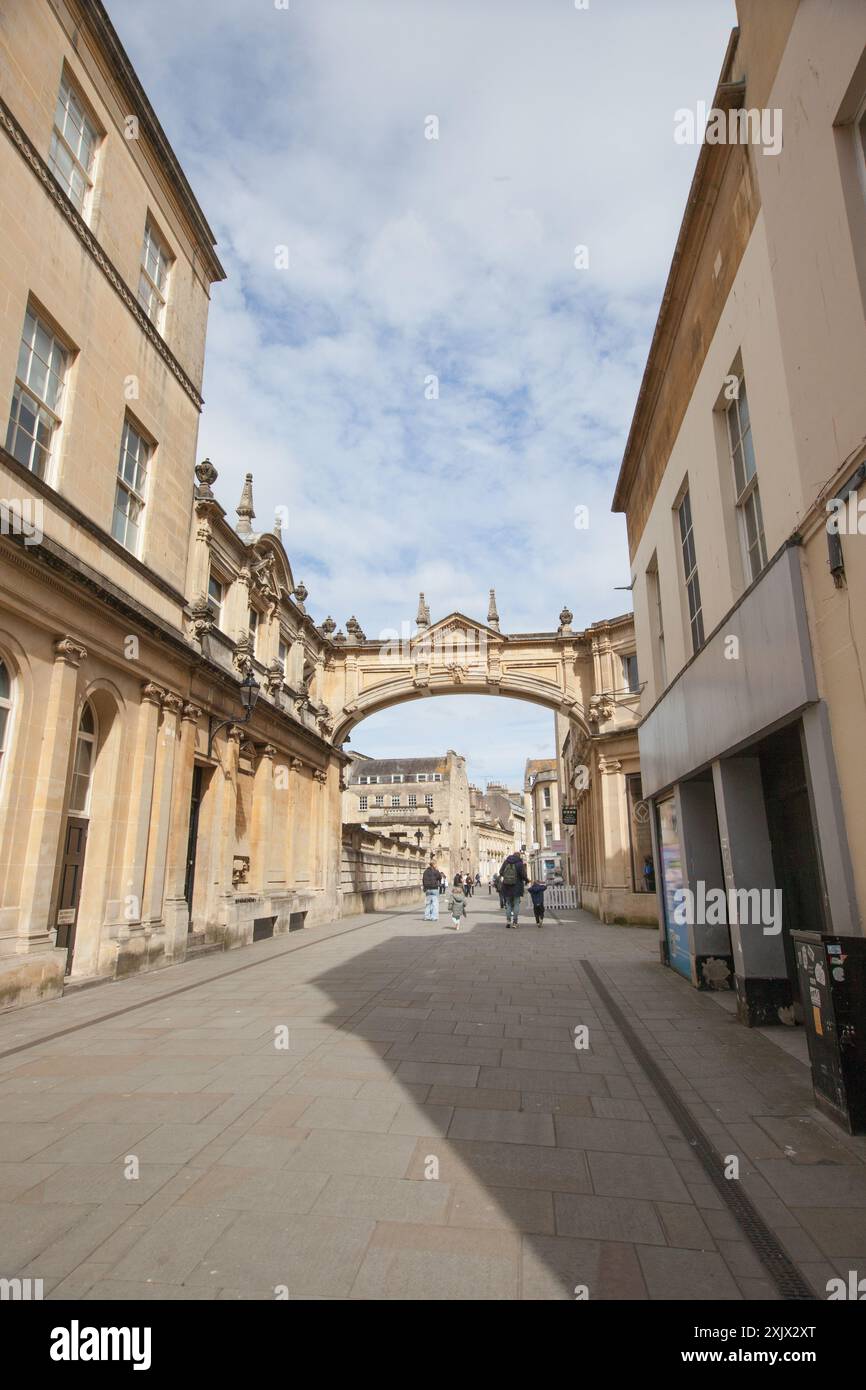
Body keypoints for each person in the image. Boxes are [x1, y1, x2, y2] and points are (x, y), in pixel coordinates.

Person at [499, 850, 528, 928]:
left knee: (508, 904)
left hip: (506, 886)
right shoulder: (519, 863)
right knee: (516, 904)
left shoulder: (506, 862)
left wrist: (506, 877)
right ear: (519, 856)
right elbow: (523, 875)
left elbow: (500, 872)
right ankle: (515, 922)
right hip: (517, 886)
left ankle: (508, 921)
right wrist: (526, 880)